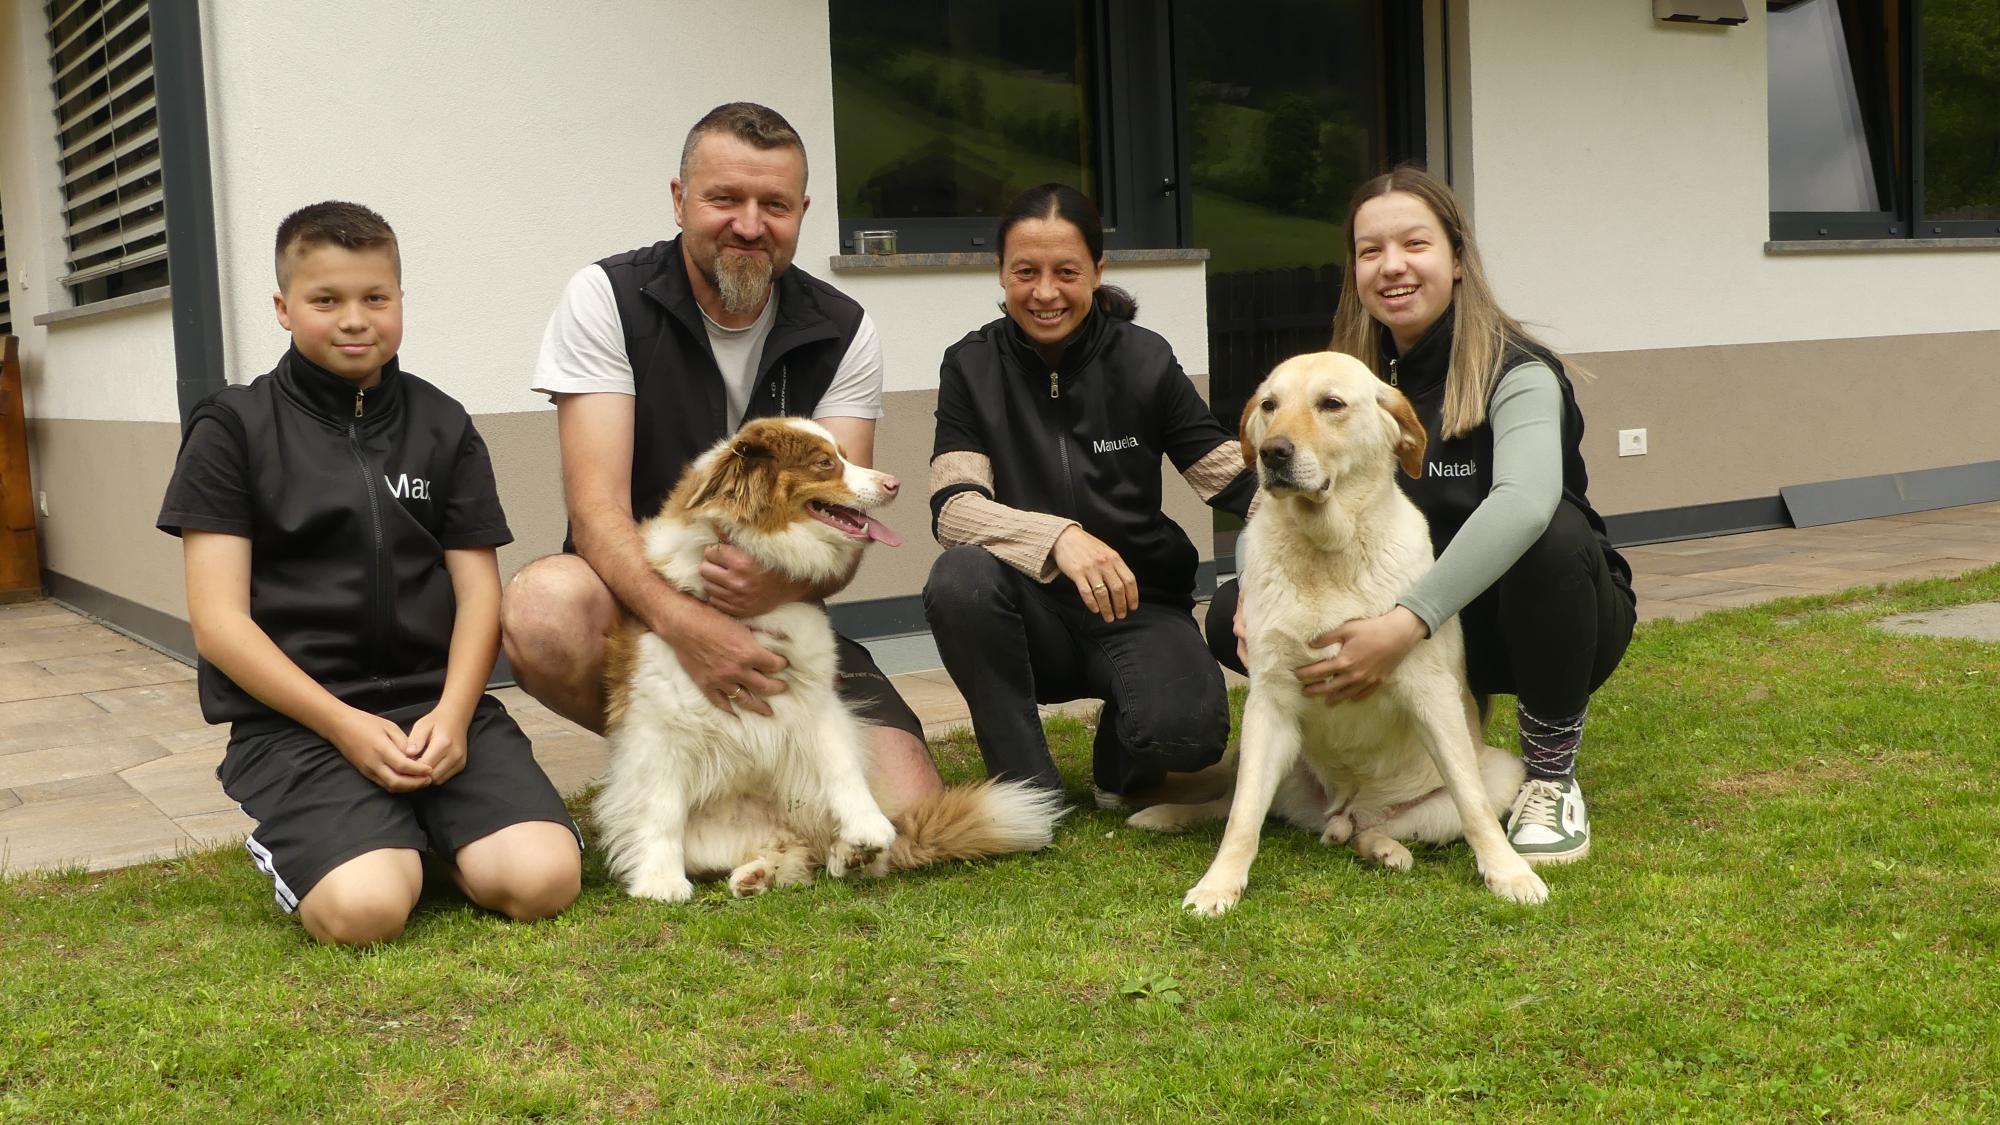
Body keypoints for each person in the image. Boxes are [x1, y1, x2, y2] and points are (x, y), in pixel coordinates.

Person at [157, 202, 583, 946]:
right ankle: (354, 845)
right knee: (367, 911)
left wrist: (454, 715)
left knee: (543, 882)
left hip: (435, 709)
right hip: (300, 724)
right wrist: (345, 727)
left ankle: (426, 828)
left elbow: (478, 594)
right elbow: (219, 624)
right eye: (326, 300)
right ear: (283, 308)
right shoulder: (232, 429)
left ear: (400, 301)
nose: (354, 320)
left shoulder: (443, 423)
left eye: (375, 297)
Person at [500, 102, 942, 812]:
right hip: (636, 605)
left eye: (774, 205)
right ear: (679, 200)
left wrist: (776, 586)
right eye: (724, 199)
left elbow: (844, 530)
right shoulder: (607, 298)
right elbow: (596, 511)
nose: (749, 224)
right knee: (543, 608)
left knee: (908, 805)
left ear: (802, 212)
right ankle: (677, 764)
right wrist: (688, 626)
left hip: (778, 613)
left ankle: (745, 779)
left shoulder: (844, 328)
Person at [1209, 165, 1636, 865]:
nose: (1392, 266)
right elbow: (1279, 492)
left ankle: (1550, 777)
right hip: (1416, 613)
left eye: (1415, 243)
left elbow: (1524, 504)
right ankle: (1361, 769)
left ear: (1458, 258)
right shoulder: (1345, 372)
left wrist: (1407, 624)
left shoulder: (1518, 370)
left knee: (1553, 536)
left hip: (1533, 615)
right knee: (1230, 608)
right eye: (1370, 251)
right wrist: (1251, 592)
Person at [924, 183, 1257, 806]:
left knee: (1186, 734)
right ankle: (1029, 791)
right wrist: (1059, 538)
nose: (1045, 292)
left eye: (1066, 272)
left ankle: (1123, 750)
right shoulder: (970, 365)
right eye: (1025, 272)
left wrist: (1337, 519)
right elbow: (954, 509)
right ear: (1001, 272)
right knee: (959, 578)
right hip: (1028, 613)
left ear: (1097, 272)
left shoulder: (1145, 359)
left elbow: (1233, 480)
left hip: (1138, 603)